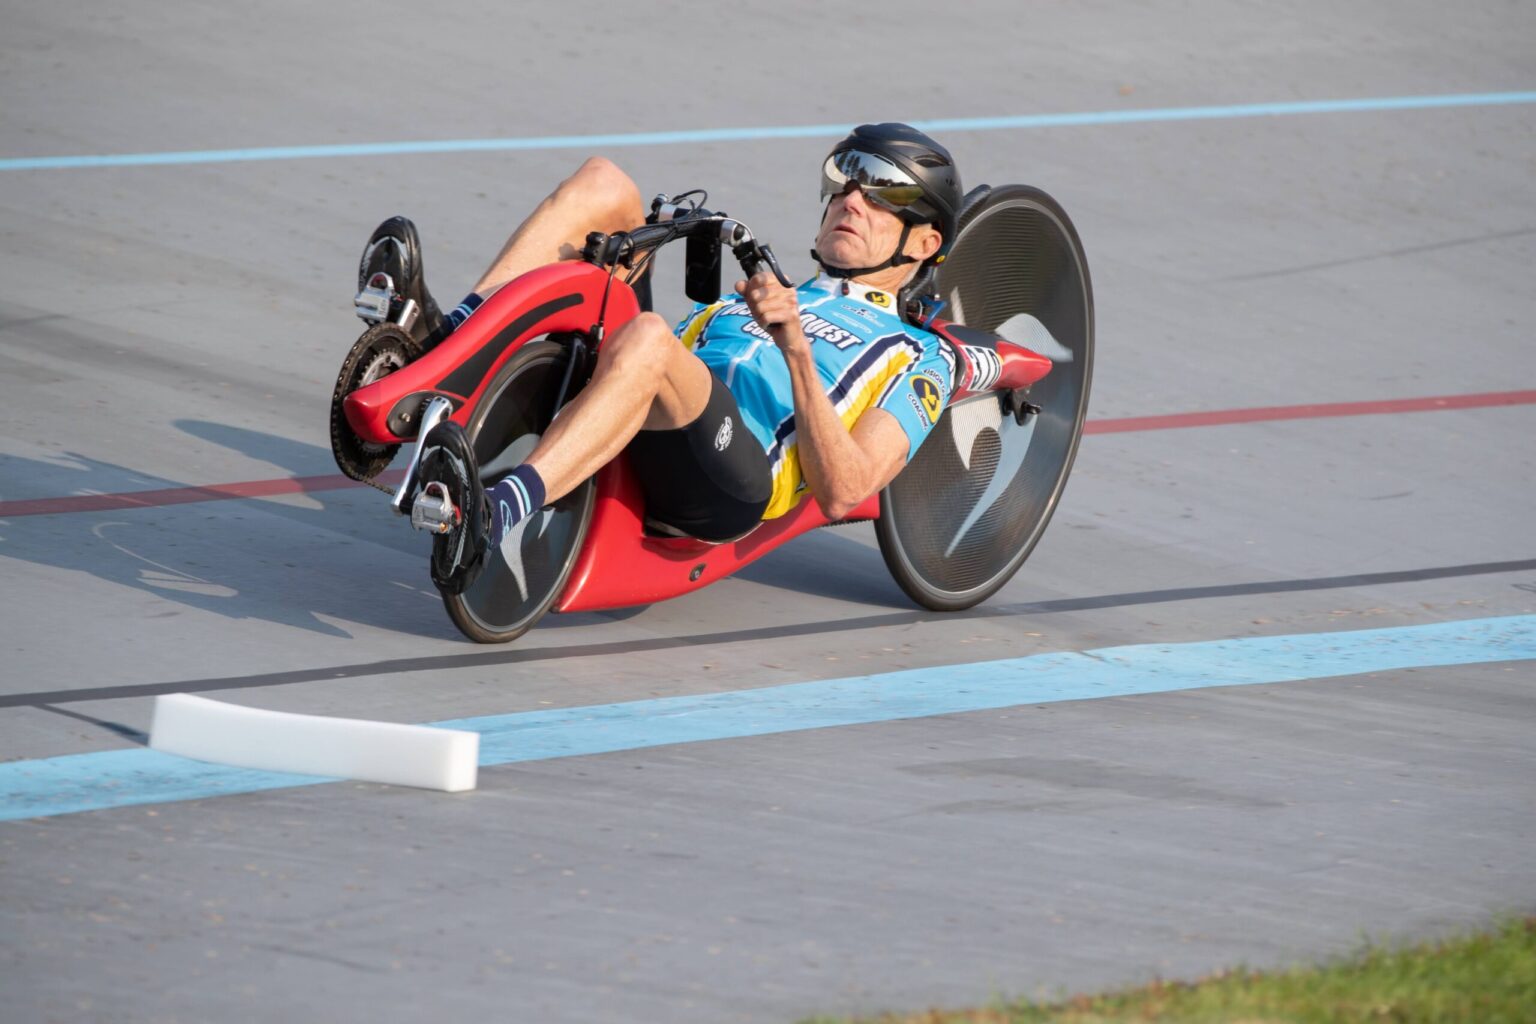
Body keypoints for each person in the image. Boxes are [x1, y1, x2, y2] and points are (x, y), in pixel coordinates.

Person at [357, 123, 964, 593]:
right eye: (846, 181)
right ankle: (435, 351)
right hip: (649, 411)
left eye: (885, 192)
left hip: (736, 480)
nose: (853, 199)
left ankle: (494, 514)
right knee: (606, 186)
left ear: (927, 242)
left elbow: (845, 491)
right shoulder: (770, 291)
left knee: (648, 337)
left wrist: (798, 351)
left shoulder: (920, 356)